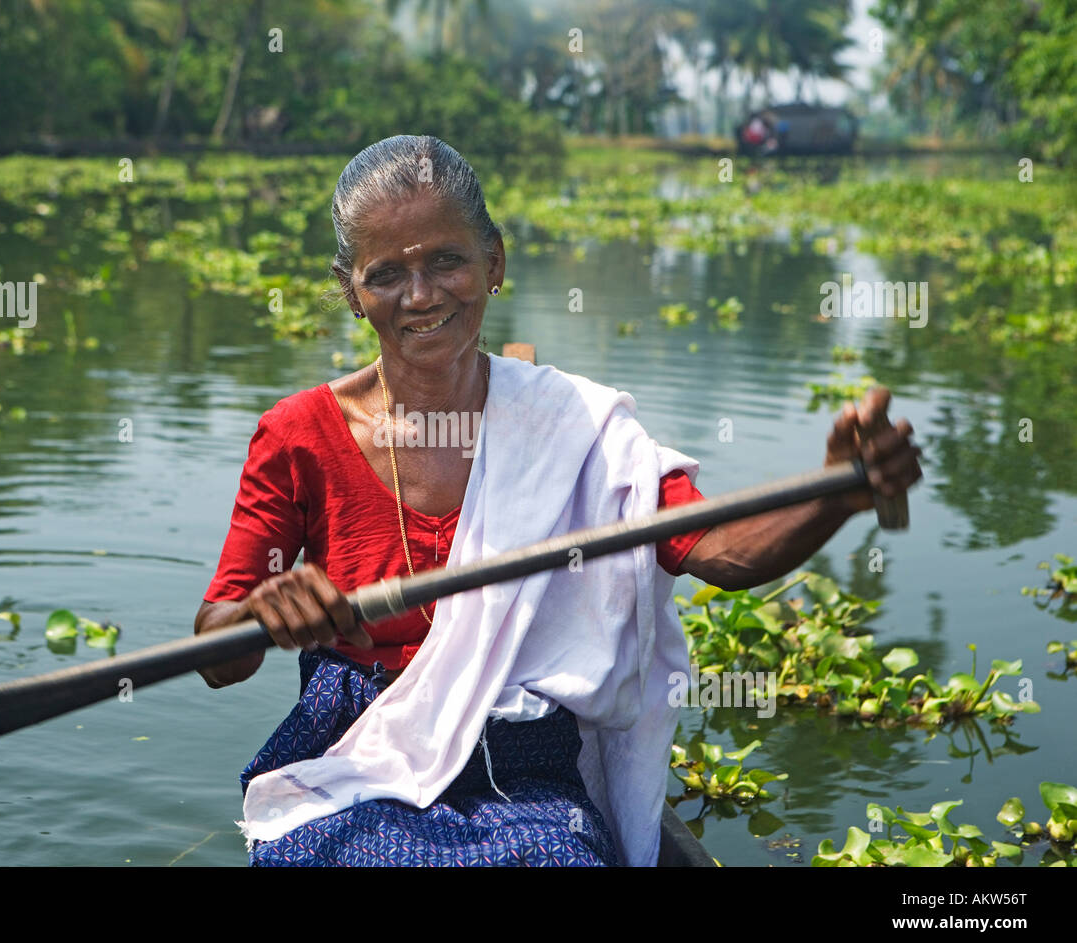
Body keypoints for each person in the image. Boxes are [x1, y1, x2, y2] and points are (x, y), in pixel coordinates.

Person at [194, 134, 922, 866]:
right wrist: (258, 615)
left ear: (495, 263)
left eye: (447, 260)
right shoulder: (297, 436)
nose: (420, 295)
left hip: (521, 764)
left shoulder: (571, 424)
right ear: (352, 290)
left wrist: (837, 494)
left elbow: (718, 550)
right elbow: (215, 648)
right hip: (353, 752)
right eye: (387, 273)